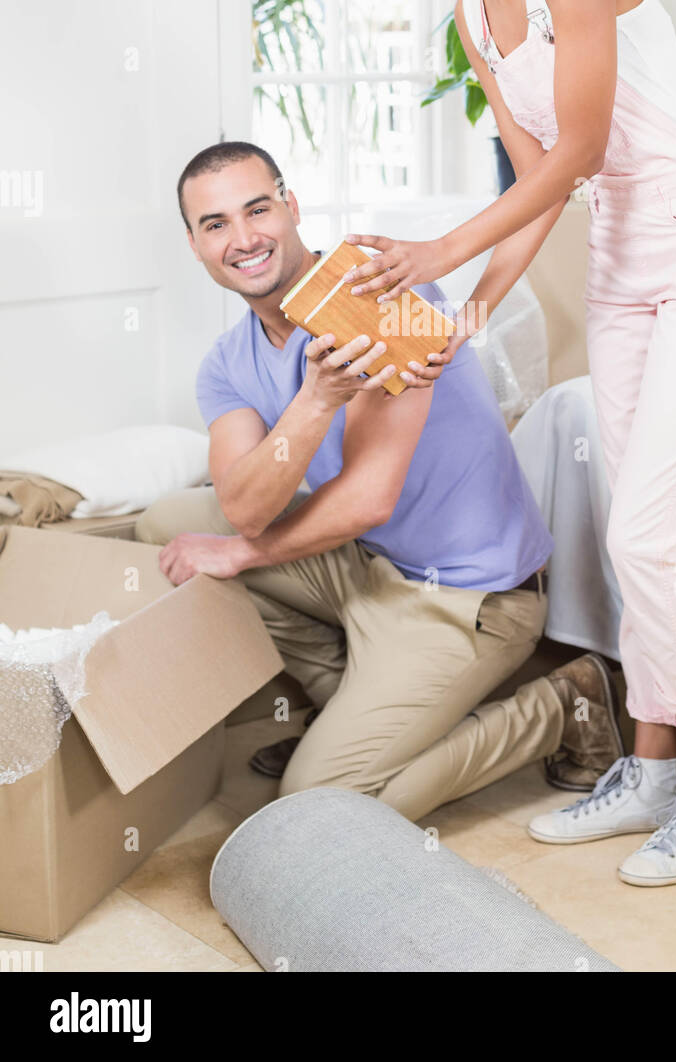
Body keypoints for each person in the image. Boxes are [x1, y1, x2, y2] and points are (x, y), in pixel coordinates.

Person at [344, 0, 676, 885]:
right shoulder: (468, 19)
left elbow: (580, 146)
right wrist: (470, 314)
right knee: (625, 523)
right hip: (622, 253)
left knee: (648, 529)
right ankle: (644, 765)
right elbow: (539, 186)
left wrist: (437, 251)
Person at [133, 141, 624, 823]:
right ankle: (356, 707)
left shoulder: (378, 290)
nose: (244, 239)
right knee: (168, 528)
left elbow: (369, 496)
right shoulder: (226, 365)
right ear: (194, 245)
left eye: (258, 209)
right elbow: (243, 507)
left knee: (318, 804)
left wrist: (245, 550)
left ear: (292, 207)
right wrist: (314, 400)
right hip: (367, 570)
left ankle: (564, 705)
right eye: (215, 225)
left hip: (466, 597)